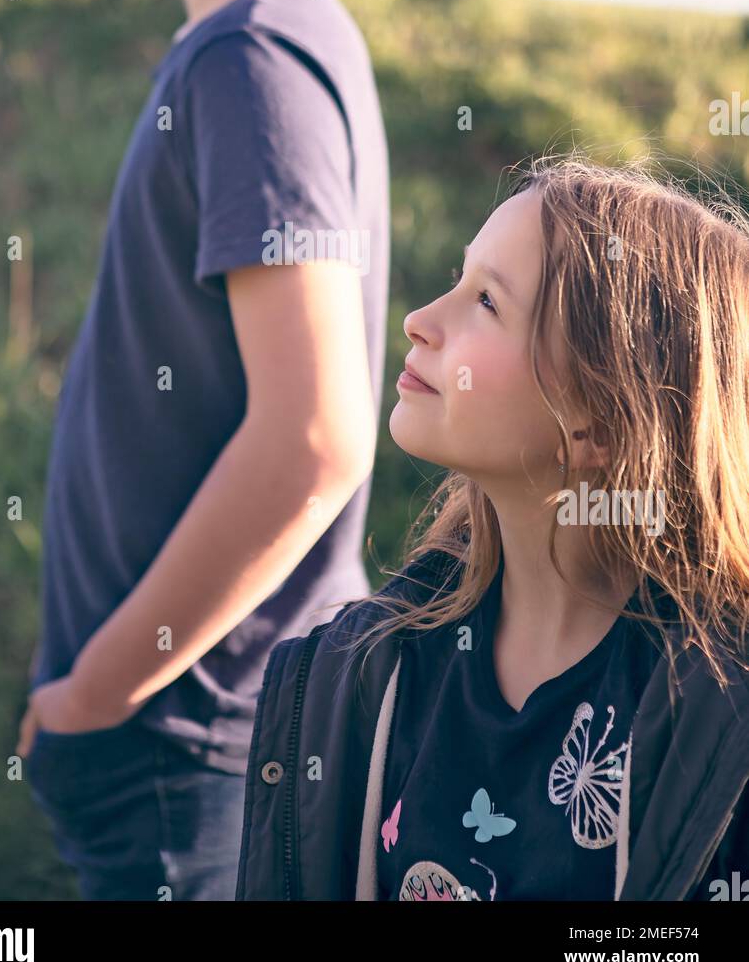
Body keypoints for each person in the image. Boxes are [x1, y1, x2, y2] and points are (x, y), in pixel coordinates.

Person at [16, 0, 416, 901]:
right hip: (201, 738)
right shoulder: (261, 45)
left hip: (190, 751)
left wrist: (95, 692)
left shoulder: (257, 57)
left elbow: (311, 440)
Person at [235, 153, 749, 901]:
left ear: (599, 419)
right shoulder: (360, 675)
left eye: (485, 303)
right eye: (458, 280)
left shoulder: (719, 727)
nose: (419, 322)